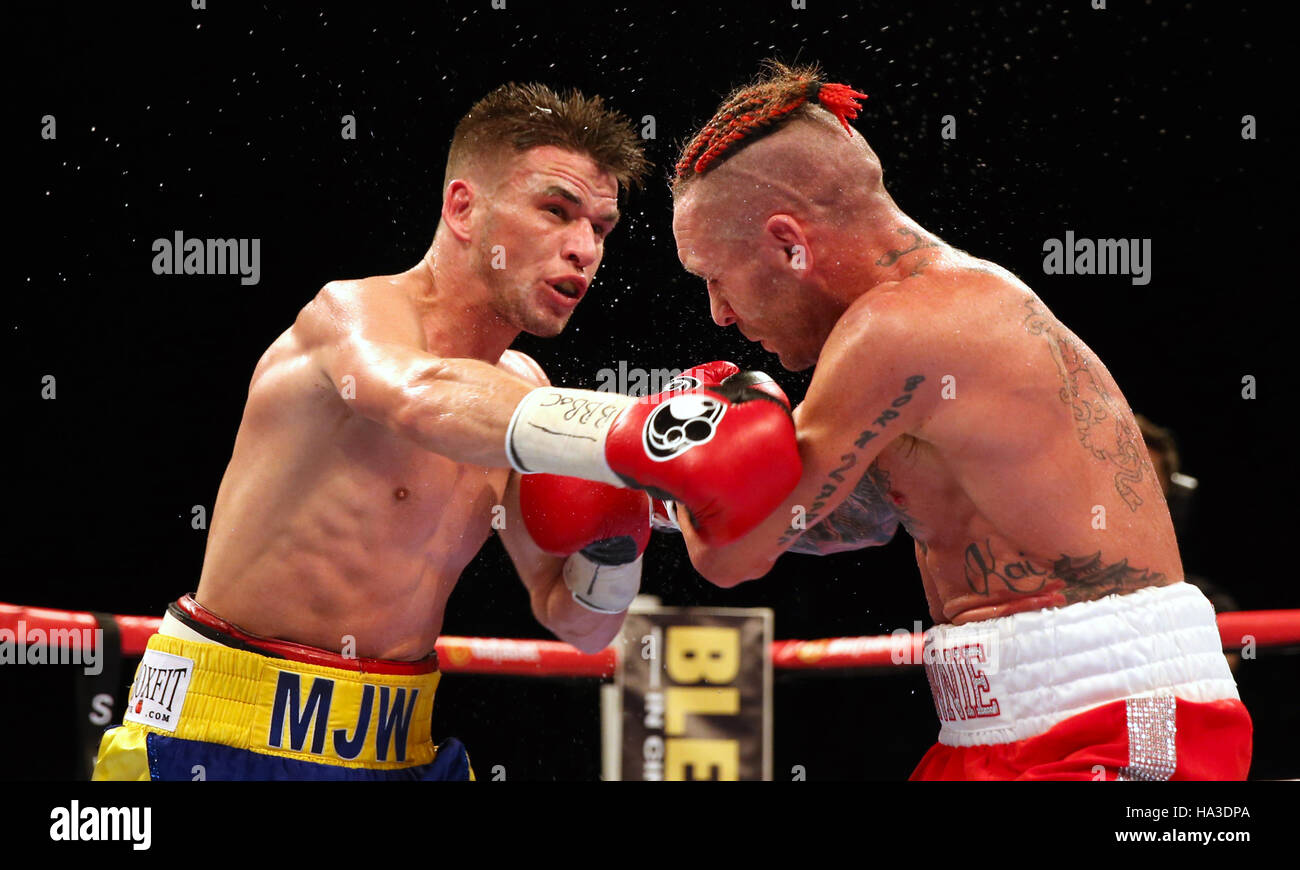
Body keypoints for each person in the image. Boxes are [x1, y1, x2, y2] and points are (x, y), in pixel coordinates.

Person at [92, 82, 800, 781]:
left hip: (401, 748)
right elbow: (420, 398)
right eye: (556, 211)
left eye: (600, 228)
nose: (583, 248)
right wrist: (637, 434)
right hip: (224, 738)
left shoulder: (526, 395)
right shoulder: (353, 315)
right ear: (464, 207)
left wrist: (615, 542)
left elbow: (579, 625)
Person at [668, 61, 1251, 780]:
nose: (719, 314)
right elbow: (861, 519)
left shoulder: (897, 328)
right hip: (993, 722)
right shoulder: (926, 319)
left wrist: (657, 468)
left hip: (1117, 721)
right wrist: (674, 489)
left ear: (790, 243)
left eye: (713, 277)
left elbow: (734, 554)